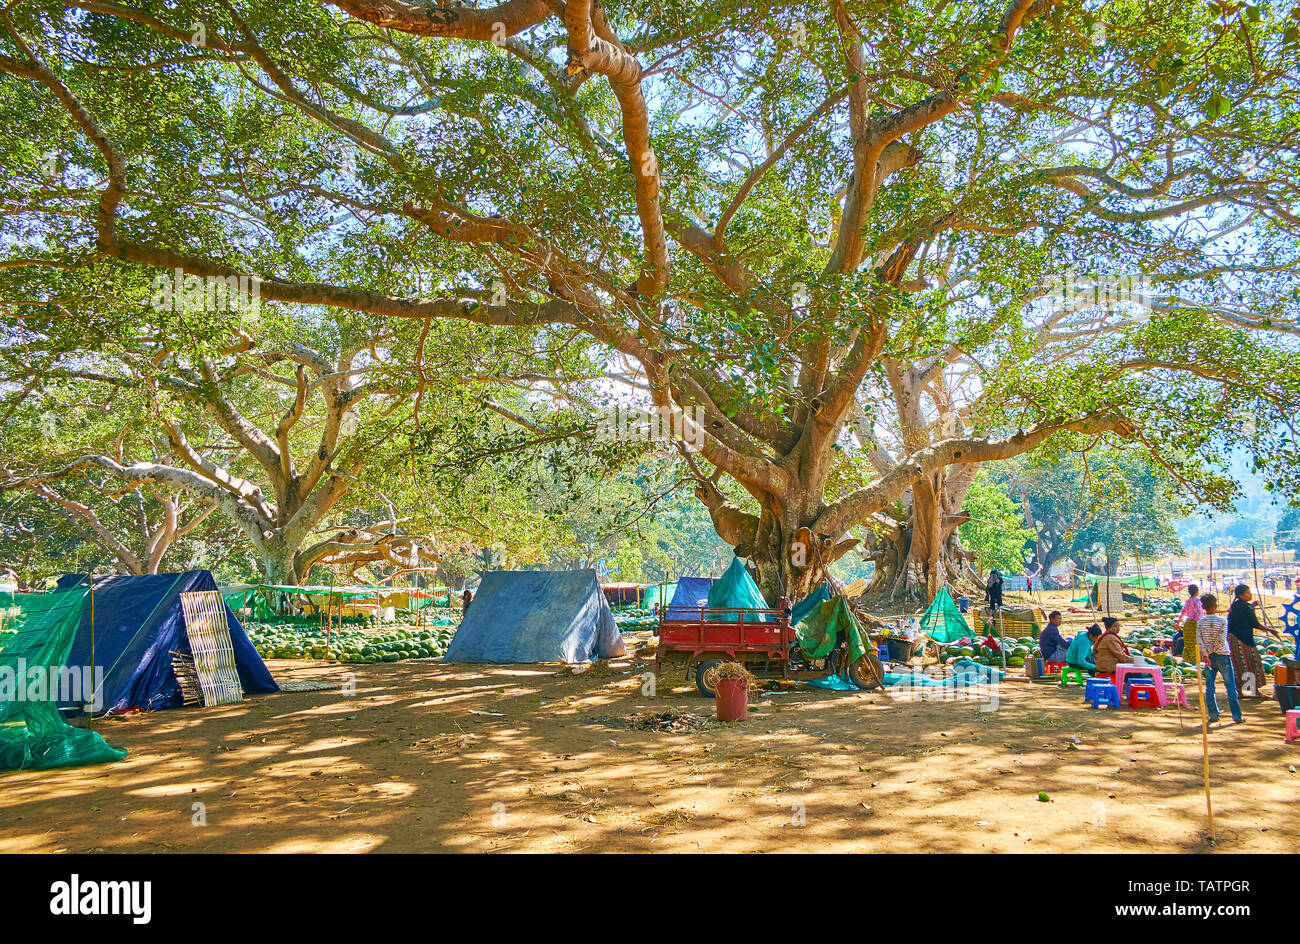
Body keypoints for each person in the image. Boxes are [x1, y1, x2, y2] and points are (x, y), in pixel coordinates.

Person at [1196, 593, 1243, 725]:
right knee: (1230, 686)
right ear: (1216, 606)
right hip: (1222, 655)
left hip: (1208, 658)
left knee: (1210, 687)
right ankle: (1237, 716)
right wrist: (1211, 651)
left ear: (1204, 607)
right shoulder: (1222, 621)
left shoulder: (1200, 622)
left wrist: (1206, 654)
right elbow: (1221, 639)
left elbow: (1199, 641)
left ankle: (1213, 715)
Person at [1228, 584, 1275, 698]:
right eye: (1248, 593)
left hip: (1233, 638)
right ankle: (1254, 691)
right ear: (1241, 595)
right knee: (1253, 662)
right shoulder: (1247, 607)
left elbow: (1245, 610)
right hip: (1245, 638)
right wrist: (1270, 630)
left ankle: (1240, 691)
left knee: (1240, 664)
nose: (1250, 594)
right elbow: (1255, 624)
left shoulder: (1235, 605)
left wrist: (1252, 606)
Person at [1178, 583, 1204, 664]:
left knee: (1188, 645)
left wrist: (1178, 622)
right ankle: (1197, 661)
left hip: (1188, 624)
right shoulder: (1197, 601)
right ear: (1197, 591)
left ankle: (1188, 661)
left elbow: (1183, 612)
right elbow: (1198, 613)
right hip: (1195, 624)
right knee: (1197, 643)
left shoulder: (1188, 601)